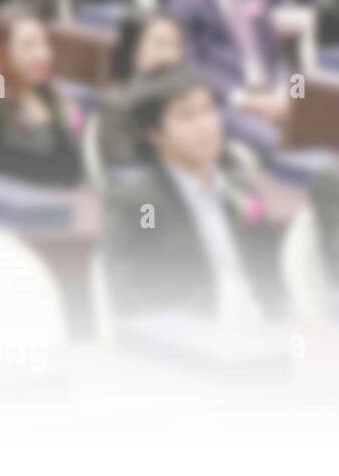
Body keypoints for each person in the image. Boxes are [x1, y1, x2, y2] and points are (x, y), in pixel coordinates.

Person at [101, 64, 282, 321]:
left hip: (262, 332)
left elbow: (272, 277)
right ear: (154, 134)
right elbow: (134, 300)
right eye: (186, 117)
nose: (205, 125)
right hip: (194, 344)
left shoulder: (243, 191)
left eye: (208, 110)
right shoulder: (143, 207)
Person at [0, 7, 83, 187]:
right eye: (28, 46)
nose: (43, 54)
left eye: (45, 43)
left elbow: (72, 168)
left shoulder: (50, 94)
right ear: (1, 52)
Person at [95, 12, 186, 174]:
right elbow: (124, 168)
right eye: (160, 44)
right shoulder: (117, 104)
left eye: (176, 45)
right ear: (135, 50)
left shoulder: (190, 96)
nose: (170, 55)